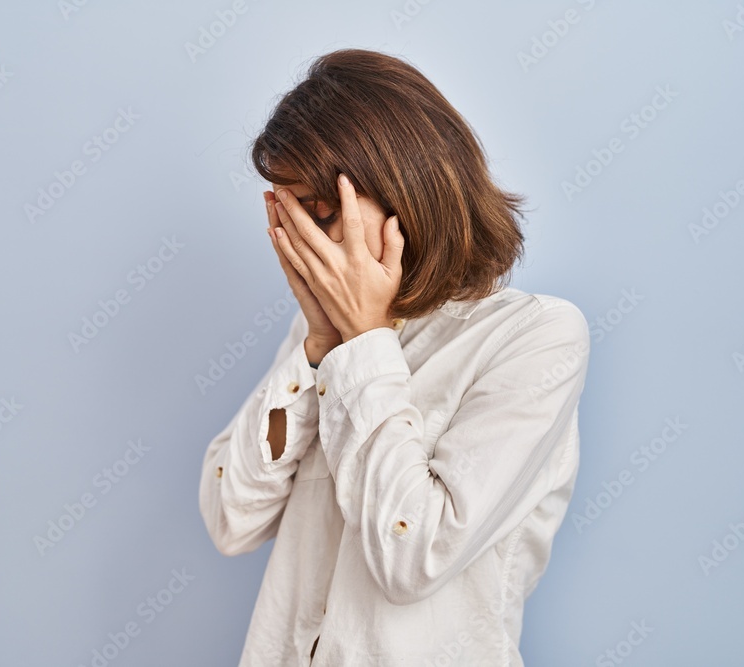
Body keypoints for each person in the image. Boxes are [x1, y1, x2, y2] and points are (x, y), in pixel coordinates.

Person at [198, 48, 590, 666]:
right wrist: (321, 347)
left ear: (410, 191)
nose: (307, 245)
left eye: (324, 215)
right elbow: (231, 520)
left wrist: (361, 346)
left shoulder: (536, 336)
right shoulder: (323, 332)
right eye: (293, 217)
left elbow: (412, 558)